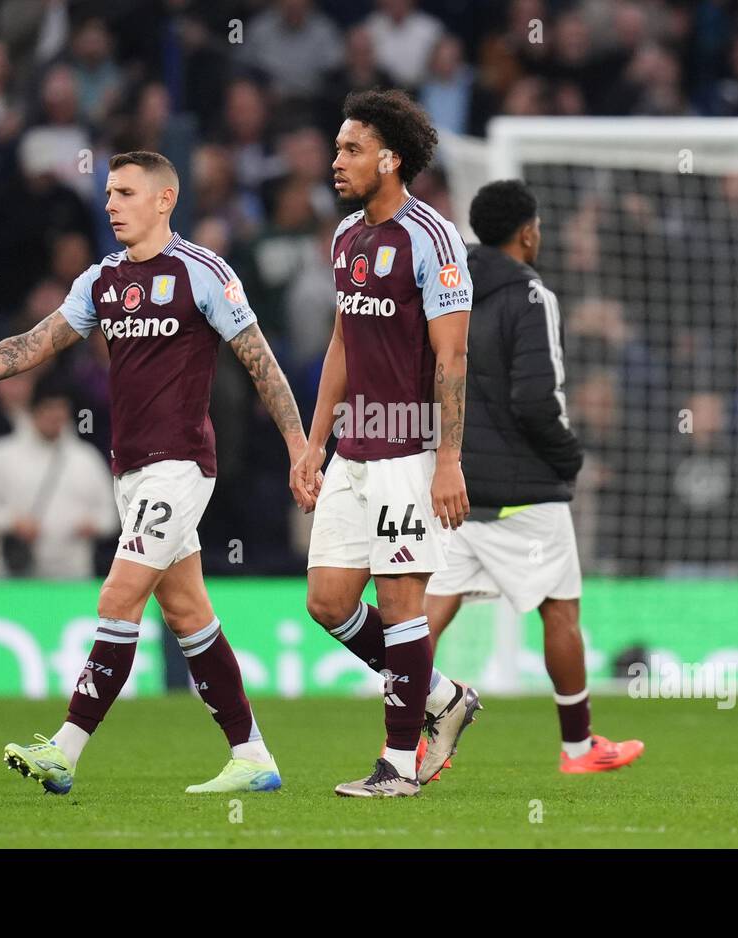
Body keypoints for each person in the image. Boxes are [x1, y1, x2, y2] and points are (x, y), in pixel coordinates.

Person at [0, 150, 313, 795]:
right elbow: (34, 344)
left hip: (179, 468)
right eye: (109, 192)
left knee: (118, 599)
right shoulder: (100, 280)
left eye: (124, 192)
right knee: (187, 614)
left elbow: (262, 363)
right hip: (129, 470)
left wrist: (298, 447)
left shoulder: (203, 273)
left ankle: (65, 750)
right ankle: (252, 754)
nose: (111, 203)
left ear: (163, 200)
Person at [423, 180, 644, 773]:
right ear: (526, 232)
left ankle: (406, 744)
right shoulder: (531, 297)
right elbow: (535, 400)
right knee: (559, 613)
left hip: (454, 485)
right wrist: (568, 458)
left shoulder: (448, 288)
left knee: (428, 613)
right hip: (526, 492)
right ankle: (577, 748)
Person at [293, 89, 478, 798]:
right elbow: (343, 338)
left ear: (391, 159)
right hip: (353, 449)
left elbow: (454, 358)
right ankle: (442, 700)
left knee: (403, 606)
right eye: (338, 148)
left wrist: (449, 460)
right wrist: (314, 444)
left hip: (410, 451)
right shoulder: (346, 237)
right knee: (328, 601)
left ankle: (399, 766)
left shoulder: (432, 239)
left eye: (351, 149)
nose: (336, 161)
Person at [0, 379, 118, 578]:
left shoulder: (86, 458)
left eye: (60, 413)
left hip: (74, 576)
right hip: (15, 575)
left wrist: (94, 524)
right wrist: (11, 522)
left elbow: (111, 515)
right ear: (34, 411)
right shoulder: (1, 454)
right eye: (49, 411)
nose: (55, 420)